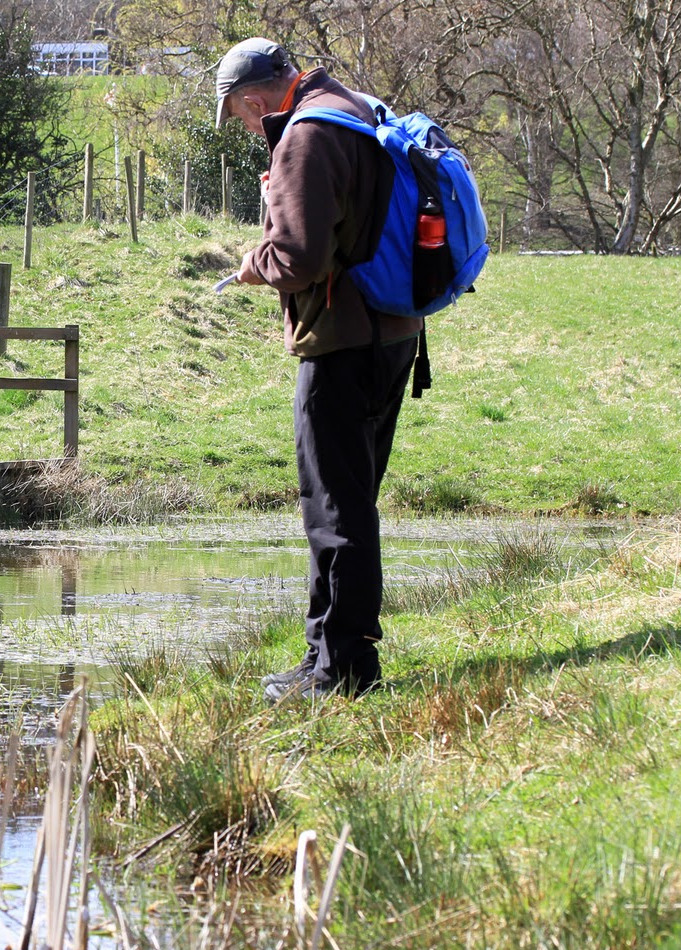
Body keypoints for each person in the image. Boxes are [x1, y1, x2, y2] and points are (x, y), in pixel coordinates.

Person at [215, 37, 422, 702]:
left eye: (243, 118)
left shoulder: (306, 136)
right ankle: (322, 655)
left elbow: (299, 257)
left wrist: (254, 265)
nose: (250, 128)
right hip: (393, 334)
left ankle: (345, 673)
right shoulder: (355, 108)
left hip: (341, 340)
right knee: (348, 502)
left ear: (252, 99)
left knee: (334, 510)